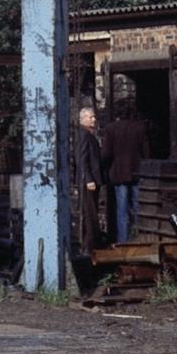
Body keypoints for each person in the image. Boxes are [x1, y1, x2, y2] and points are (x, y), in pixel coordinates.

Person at [102, 104, 150, 243]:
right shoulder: (140, 127)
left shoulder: (111, 129)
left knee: (121, 210)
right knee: (138, 208)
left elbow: (106, 154)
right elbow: (146, 153)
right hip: (137, 172)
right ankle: (140, 238)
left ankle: (122, 241)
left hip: (119, 173)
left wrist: (105, 167)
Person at [75, 106, 102, 254]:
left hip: (91, 180)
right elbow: (81, 159)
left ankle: (90, 245)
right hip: (88, 182)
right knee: (89, 214)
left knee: (91, 212)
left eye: (94, 117)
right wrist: (88, 179)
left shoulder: (88, 134)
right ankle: (89, 247)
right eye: (91, 117)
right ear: (82, 119)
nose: (94, 119)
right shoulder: (83, 135)